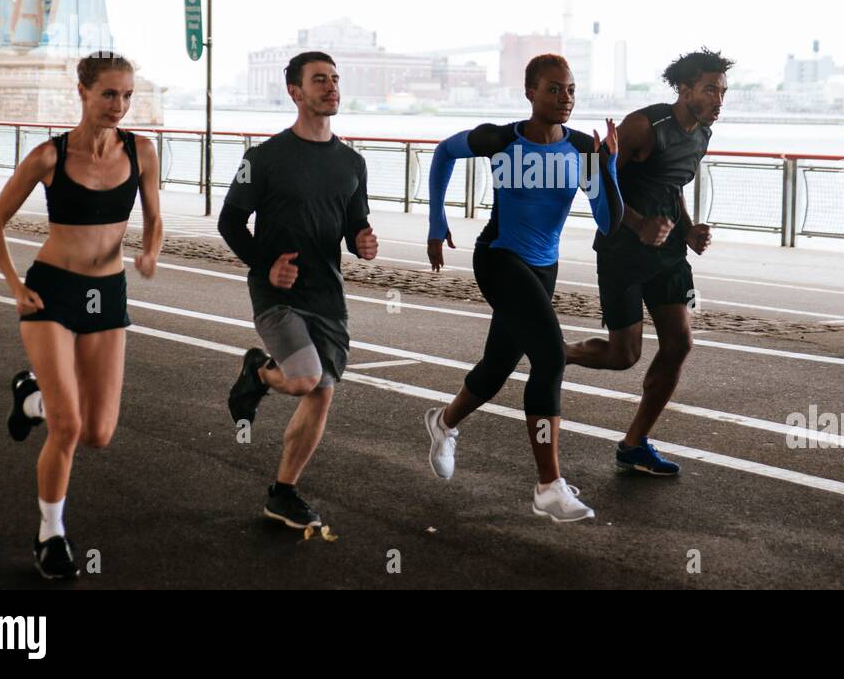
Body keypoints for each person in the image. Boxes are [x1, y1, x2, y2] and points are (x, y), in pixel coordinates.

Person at [422, 53, 623, 523]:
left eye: (571, 89)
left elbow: (609, 223)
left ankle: (444, 422)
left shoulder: (583, 149)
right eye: (553, 89)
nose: (564, 98)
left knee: (497, 366)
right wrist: (437, 222)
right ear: (530, 92)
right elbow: (443, 153)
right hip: (497, 257)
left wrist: (608, 167)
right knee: (550, 356)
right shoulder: (499, 138)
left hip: (543, 269)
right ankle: (549, 486)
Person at [0, 52, 162, 579]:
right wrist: (16, 286)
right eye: (109, 94)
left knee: (99, 432)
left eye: (128, 95)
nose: (120, 105)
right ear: (82, 92)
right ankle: (51, 533)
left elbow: (155, 221)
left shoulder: (143, 151)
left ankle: (30, 397)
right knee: (67, 426)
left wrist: (150, 253)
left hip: (108, 296)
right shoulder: (48, 157)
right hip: (52, 294)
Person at [219, 51, 377, 530]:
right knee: (307, 378)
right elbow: (229, 221)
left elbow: (355, 224)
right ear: (295, 91)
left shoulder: (353, 161)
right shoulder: (262, 159)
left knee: (321, 393)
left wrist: (363, 240)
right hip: (278, 296)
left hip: (327, 296)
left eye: (334, 79)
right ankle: (259, 373)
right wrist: (266, 268)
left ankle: (283, 492)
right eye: (319, 80)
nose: (331, 88)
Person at [564, 48, 731, 476]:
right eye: (710, 89)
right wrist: (637, 224)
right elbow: (592, 175)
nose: (718, 99)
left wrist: (689, 228)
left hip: (669, 253)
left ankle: (634, 443)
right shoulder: (645, 125)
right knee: (624, 356)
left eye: (723, 91)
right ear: (684, 89)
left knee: (679, 343)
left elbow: (671, 185)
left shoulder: (702, 136)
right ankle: (558, 353)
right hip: (623, 251)